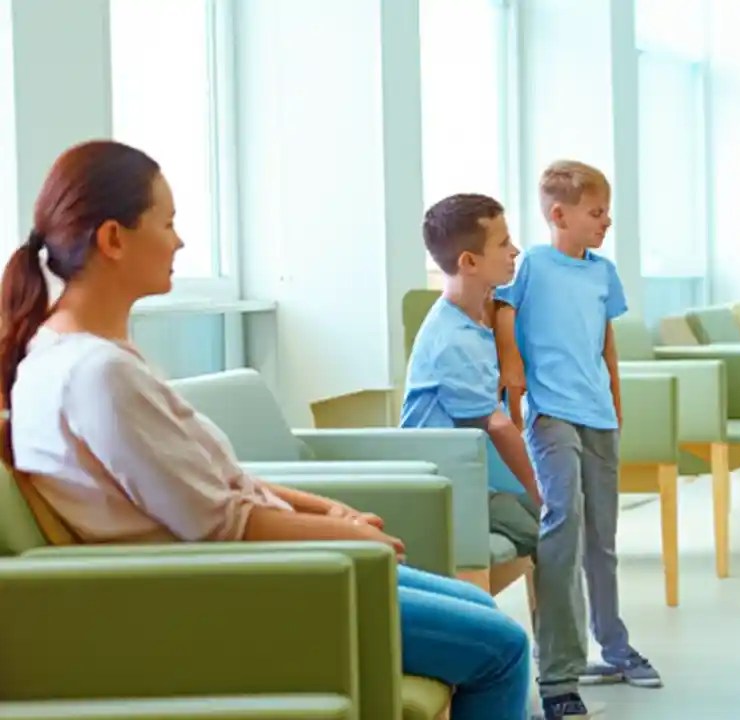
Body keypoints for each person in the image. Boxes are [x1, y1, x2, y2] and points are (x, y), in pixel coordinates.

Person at [0, 140, 532, 720]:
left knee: (474, 609)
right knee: (503, 648)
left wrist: (326, 510)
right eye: (168, 223)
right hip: (235, 593)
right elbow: (218, 525)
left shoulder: (81, 356)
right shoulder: (95, 375)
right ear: (112, 239)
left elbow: (219, 483)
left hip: (247, 575)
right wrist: (347, 539)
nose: (179, 241)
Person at [494, 160, 661, 720]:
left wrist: (616, 397)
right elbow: (501, 310)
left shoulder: (603, 273)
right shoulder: (533, 266)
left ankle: (613, 647)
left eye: (607, 211)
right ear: (559, 215)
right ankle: (558, 671)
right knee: (560, 528)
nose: (606, 221)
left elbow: (605, 341)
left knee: (602, 539)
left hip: (598, 415)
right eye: (596, 212)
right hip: (550, 415)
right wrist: (513, 366)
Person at [400, 193, 542, 566]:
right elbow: (497, 425)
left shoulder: (475, 317)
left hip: (478, 479)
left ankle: (560, 627)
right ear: (469, 262)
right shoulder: (452, 338)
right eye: (503, 243)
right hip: (448, 488)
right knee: (556, 528)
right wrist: (542, 491)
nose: (515, 251)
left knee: (563, 516)